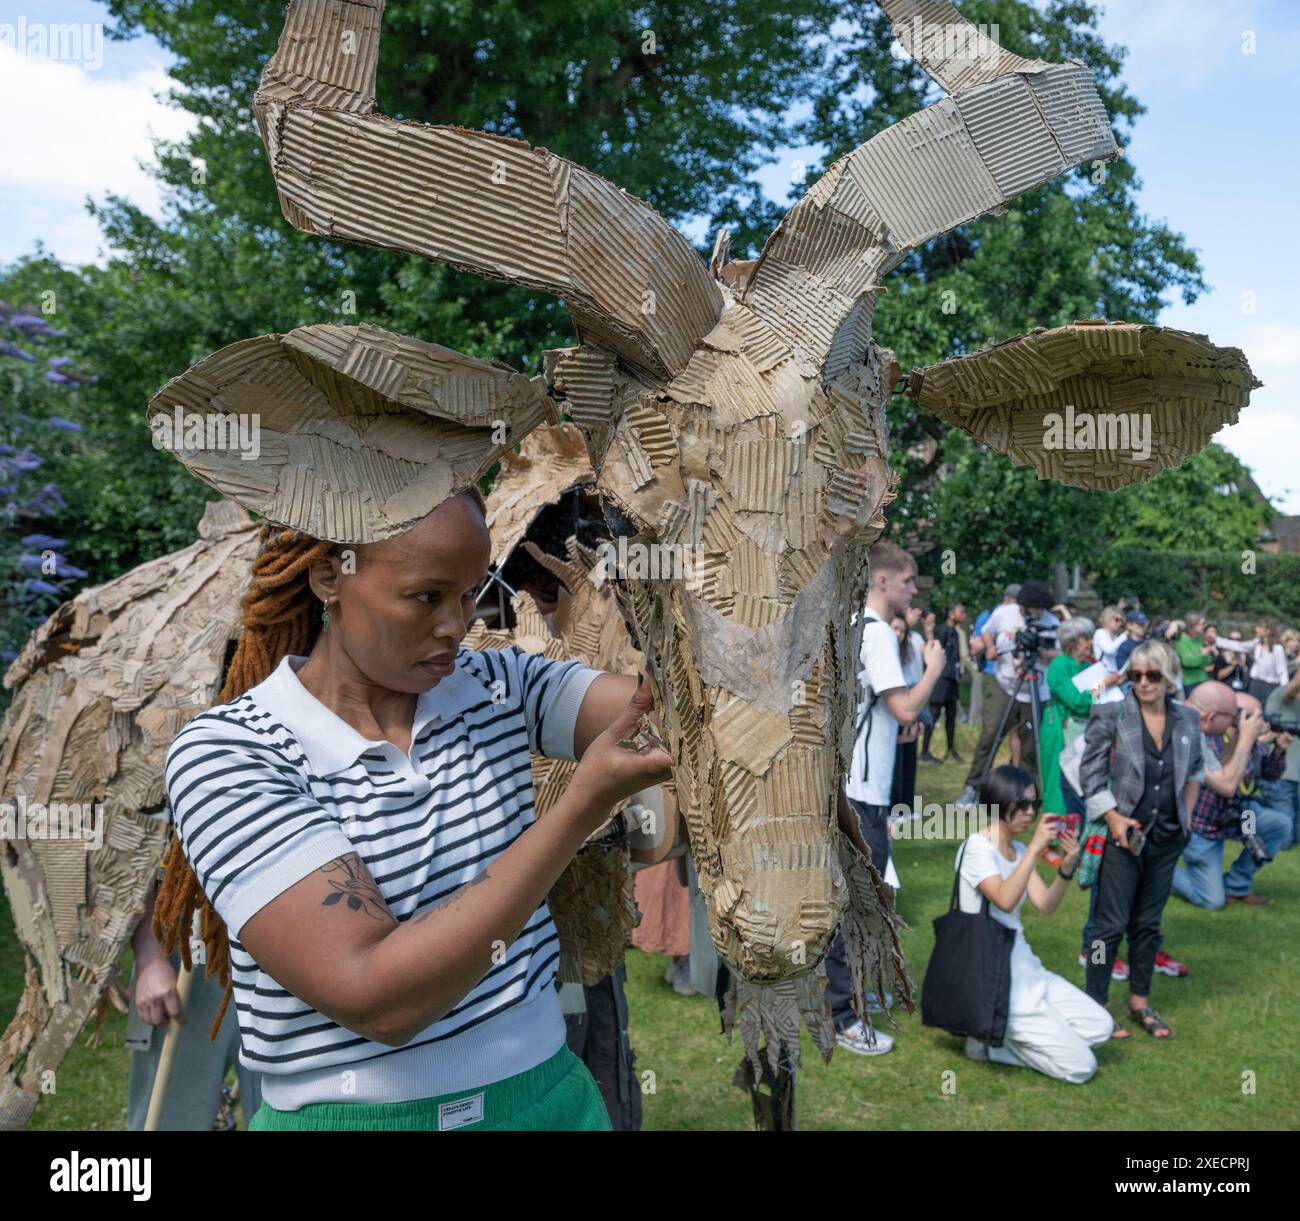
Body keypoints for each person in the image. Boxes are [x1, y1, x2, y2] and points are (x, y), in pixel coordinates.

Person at [159, 489, 675, 1130]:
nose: (455, 626)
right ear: (329, 575)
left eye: (468, 594)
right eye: (426, 597)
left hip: (549, 1103)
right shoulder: (235, 753)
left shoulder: (499, 687)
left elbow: (667, 713)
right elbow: (378, 1000)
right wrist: (576, 811)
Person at [830, 540, 944, 1056]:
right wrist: (934, 669)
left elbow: (881, 713)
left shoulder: (860, 629)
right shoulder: (875, 635)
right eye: (907, 582)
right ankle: (841, 1014)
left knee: (866, 899)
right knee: (859, 902)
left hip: (860, 787)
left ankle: (855, 993)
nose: (913, 591)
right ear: (882, 582)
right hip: (861, 793)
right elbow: (903, 709)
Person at [1079, 641, 1204, 1039]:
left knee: (1148, 924)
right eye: (1136, 675)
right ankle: (1096, 1005)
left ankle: (1139, 1001)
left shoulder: (1188, 720)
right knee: (1109, 925)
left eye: (1153, 675)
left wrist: (1185, 822)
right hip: (1122, 836)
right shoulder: (1111, 712)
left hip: (1167, 837)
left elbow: (1196, 771)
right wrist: (1113, 817)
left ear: (1168, 676)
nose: (1144, 683)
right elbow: (1090, 775)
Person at [956, 766, 1112, 1083]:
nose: (1030, 813)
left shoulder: (1020, 850)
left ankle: (1006, 1035)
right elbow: (1004, 899)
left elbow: (1045, 904)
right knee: (1082, 1067)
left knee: (1101, 1026)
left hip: (1029, 971)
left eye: (1034, 805)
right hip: (995, 979)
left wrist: (1066, 869)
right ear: (998, 803)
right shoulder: (976, 849)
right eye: (1023, 805)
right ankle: (990, 1046)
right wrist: (1038, 849)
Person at [126, 876, 263, 1130]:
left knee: (291, 1112)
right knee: (173, 1118)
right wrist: (149, 955)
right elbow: (131, 855)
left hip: (284, 927)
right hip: (186, 933)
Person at [1172, 685, 1293, 909]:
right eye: (1250, 716)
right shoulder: (1207, 737)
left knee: (1279, 825)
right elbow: (1224, 783)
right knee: (1212, 901)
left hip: (1237, 814)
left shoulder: (1249, 741)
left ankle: (1236, 886)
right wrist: (1246, 741)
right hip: (1204, 827)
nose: (1256, 722)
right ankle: (1161, 873)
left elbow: (1269, 775)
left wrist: (1277, 750)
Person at [957, 580, 1059, 805]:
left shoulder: (1052, 622)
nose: (1037, 614)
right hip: (1004, 685)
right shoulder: (1005, 614)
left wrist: (1041, 651)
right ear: (1023, 605)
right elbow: (986, 632)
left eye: (1041, 610)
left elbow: (1057, 652)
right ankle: (972, 789)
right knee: (989, 737)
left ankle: (1028, 796)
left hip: (1036, 690)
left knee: (1031, 747)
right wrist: (991, 647)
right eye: (1032, 610)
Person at [1041, 618, 1122, 818]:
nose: (1089, 643)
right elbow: (1076, 700)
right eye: (1086, 638)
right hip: (1061, 726)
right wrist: (1104, 684)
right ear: (1073, 640)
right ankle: (1057, 832)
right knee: (1060, 777)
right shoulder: (1059, 665)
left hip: (1086, 726)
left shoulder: (1087, 664)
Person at [890, 612, 926, 817]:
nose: (898, 634)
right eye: (895, 629)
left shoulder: (909, 647)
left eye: (902, 631)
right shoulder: (884, 650)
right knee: (896, 759)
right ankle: (894, 807)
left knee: (909, 758)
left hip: (911, 705)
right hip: (894, 708)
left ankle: (906, 805)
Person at [922, 603, 965, 764]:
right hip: (941, 680)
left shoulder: (955, 632)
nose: (964, 615)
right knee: (934, 713)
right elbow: (935, 652)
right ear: (951, 614)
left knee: (951, 716)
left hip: (953, 679)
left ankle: (951, 750)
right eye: (961, 612)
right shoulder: (943, 631)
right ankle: (924, 751)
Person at [968, 587, 1018, 729]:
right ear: (1007, 599)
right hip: (992, 671)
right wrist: (991, 644)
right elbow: (976, 646)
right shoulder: (989, 615)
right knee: (992, 717)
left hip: (1014, 673)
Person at [1261, 670, 1300, 843]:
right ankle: (1247, 824)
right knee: (1283, 839)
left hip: (1291, 780)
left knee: (1295, 837)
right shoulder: (1281, 697)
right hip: (1277, 776)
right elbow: (1293, 687)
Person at [1170, 613, 1211, 697]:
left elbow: (1208, 660)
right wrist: (1201, 655)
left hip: (1203, 679)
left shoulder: (1199, 639)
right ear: (1193, 625)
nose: (1204, 626)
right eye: (1202, 624)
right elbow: (1187, 662)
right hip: (1189, 682)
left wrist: (1196, 656)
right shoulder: (1181, 640)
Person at [1092, 607, 1125, 673]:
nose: (1120, 623)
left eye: (1121, 621)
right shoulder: (1100, 633)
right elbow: (1109, 650)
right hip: (1101, 673)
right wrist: (1124, 635)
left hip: (1114, 672)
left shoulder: (1116, 637)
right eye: (1117, 620)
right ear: (1108, 618)